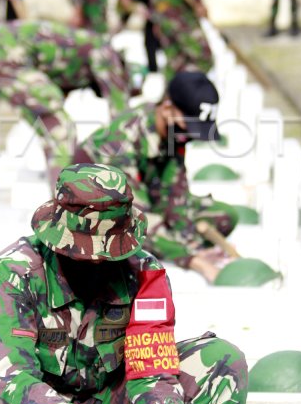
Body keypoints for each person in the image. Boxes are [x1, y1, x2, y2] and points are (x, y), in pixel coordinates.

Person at [0, 163, 248, 404]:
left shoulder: (143, 273)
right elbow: (14, 383)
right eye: (84, 252)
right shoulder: (14, 273)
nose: (97, 261)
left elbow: (150, 368)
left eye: (107, 253)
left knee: (220, 360)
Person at [0, 20, 132, 223]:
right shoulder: (106, 53)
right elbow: (122, 119)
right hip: (6, 51)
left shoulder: (80, 47)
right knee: (59, 129)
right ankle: (66, 213)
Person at [75, 71, 237, 282]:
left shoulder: (173, 133)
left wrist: (190, 243)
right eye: (186, 128)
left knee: (224, 216)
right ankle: (163, 246)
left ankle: (165, 245)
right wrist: (194, 259)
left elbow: (175, 196)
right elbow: (131, 215)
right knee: (127, 230)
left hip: (144, 198)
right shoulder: (122, 141)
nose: (187, 138)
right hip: (96, 211)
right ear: (167, 108)